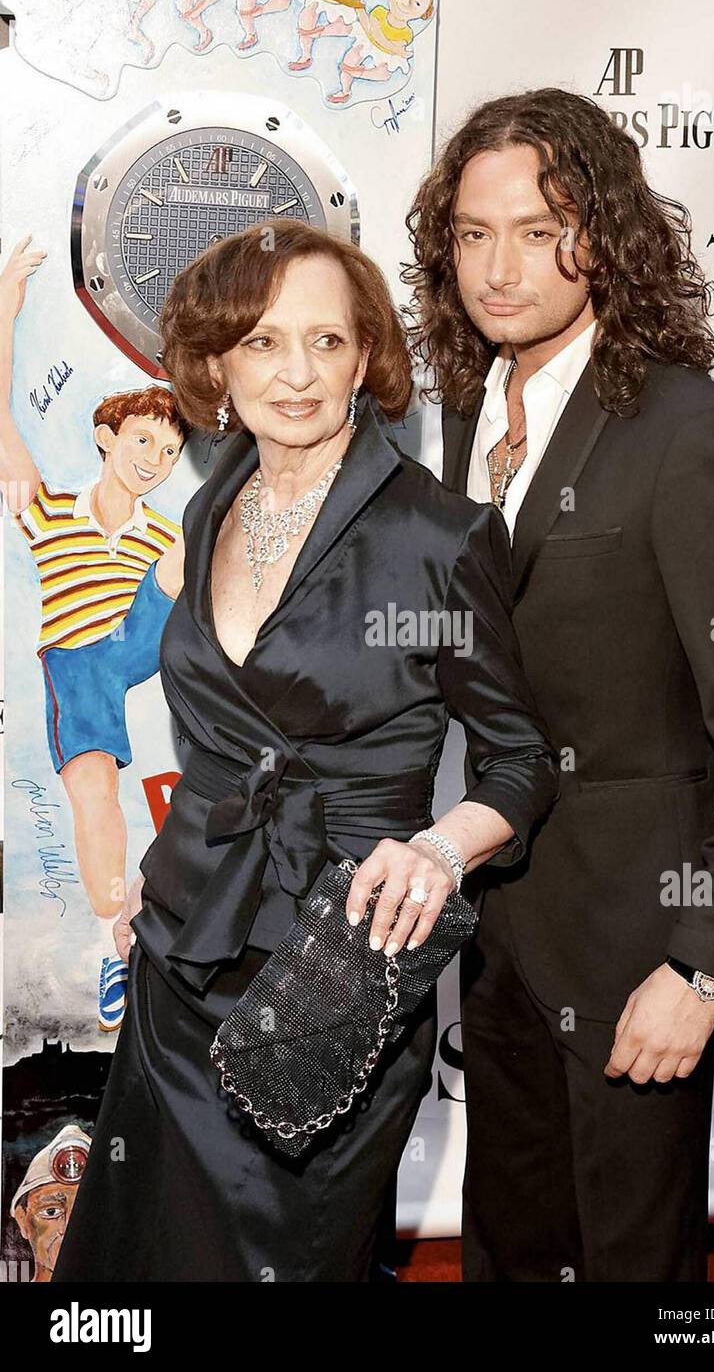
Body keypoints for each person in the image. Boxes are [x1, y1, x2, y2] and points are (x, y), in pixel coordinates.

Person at [50, 217, 560, 1283]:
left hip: (328, 977)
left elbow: (518, 759)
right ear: (215, 363)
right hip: (182, 953)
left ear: (366, 357)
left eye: (326, 343)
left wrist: (439, 850)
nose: (296, 374)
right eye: (264, 343)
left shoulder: (438, 537)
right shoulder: (204, 510)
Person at [403, 86, 714, 1282]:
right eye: (475, 233)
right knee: (506, 1257)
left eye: (541, 232)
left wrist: (699, 968)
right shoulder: (454, 421)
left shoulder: (685, 431)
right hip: (497, 941)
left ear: (607, 236)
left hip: (642, 946)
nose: (500, 267)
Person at [0, 236, 188, 1033]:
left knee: (195, 548)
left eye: (172, 450)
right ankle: (118, 938)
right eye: (144, 440)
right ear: (108, 438)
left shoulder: (165, 535)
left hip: (147, 645)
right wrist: (6, 305)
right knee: (94, 790)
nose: (154, 458)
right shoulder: (50, 512)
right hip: (80, 666)